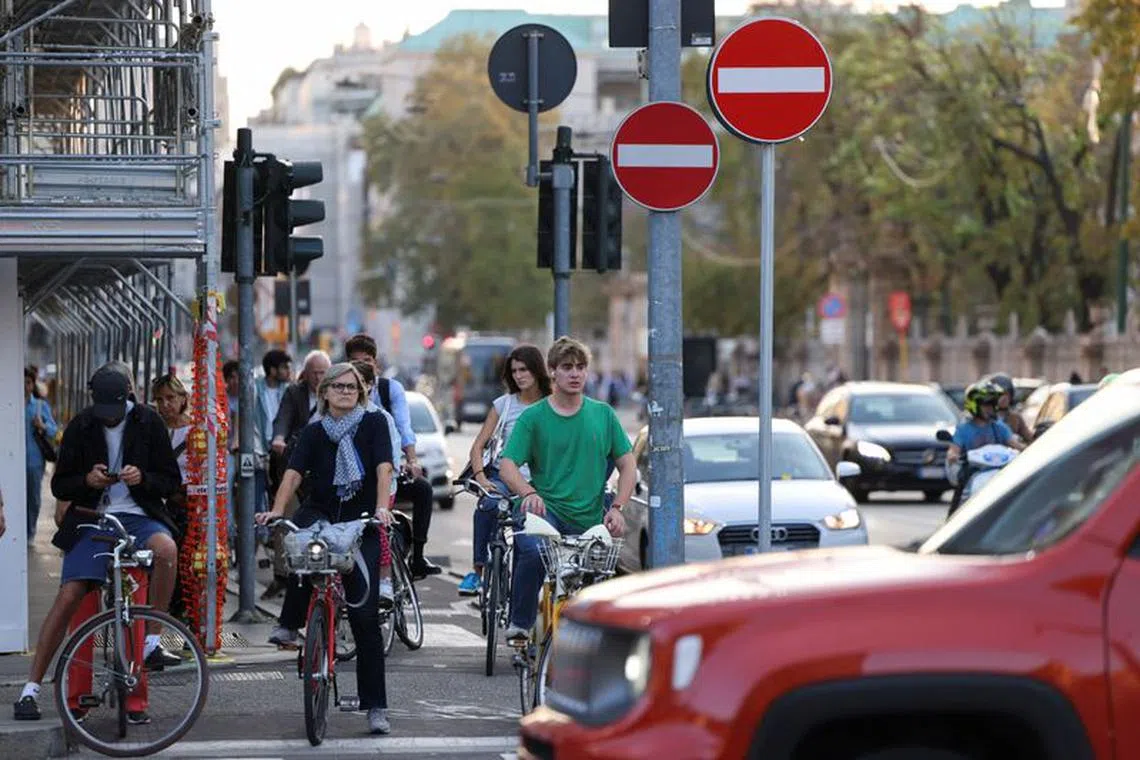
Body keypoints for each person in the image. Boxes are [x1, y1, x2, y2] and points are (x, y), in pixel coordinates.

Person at [13, 364, 183, 722]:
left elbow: (170, 480)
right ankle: (32, 689)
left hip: (139, 517)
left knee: (165, 551)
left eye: (116, 411)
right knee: (71, 595)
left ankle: (151, 644)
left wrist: (143, 479)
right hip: (93, 520)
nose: (109, 419)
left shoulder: (148, 423)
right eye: (103, 411)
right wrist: (88, 481)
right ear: (94, 402)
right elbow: (60, 485)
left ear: (129, 398)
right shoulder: (81, 425)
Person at [255, 363, 395, 735]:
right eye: (339, 387)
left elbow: (384, 469)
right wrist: (275, 511)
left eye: (353, 387)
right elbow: (293, 474)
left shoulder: (374, 424)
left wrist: (382, 509)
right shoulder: (314, 432)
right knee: (300, 545)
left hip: (361, 516)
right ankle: (288, 624)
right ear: (325, 392)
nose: (347, 392)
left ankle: (376, 706)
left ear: (361, 392)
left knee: (364, 618)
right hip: (319, 511)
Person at [498, 337, 635, 641]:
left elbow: (628, 465)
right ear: (552, 372)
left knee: (601, 578)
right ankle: (520, 623)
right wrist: (528, 493)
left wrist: (618, 507)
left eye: (581, 367)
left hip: (590, 515)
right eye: (567, 367)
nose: (575, 374)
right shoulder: (534, 417)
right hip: (546, 512)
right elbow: (508, 467)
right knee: (532, 551)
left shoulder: (603, 415)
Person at [457, 344, 551, 597]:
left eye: (525, 370)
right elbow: (478, 447)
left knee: (527, 534)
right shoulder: (503, 405)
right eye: (515, 371)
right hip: (501, 477)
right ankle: (477, 571)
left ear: (537, 370)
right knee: (487, 506)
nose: (520, 375)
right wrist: (481, 478)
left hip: (538, 484)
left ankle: (522, 586)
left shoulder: (552, 405)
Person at [344, 334, 441, 579]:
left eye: (367, 362)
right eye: (356, 364)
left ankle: (417, 557)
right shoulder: (343, 391)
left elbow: (403, 427)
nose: (362, 369)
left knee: (422, 490)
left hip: (389, 470)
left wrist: (412, 461)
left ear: (376, 364)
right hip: (353, 475)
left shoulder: (390, 391)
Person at [263, 350, 331, 599]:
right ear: (305, 373)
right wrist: (279, 438)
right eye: (314, 373)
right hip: (295, 465)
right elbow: (282, 419)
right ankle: (283, 575)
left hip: (325, 472)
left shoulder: (336, 394)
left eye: (323, 373)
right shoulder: (295, 393)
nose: (318, 378)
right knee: (286, 518)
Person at [946, 380, 1025, 513]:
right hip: (974, 473)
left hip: (999, 473)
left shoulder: (999, 426)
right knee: (960, 496)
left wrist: (1029, 450)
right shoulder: (964, 429)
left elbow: (1014, 444)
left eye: (992, 404)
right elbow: (954, 449)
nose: (990, 408)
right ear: (974, 405)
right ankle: (953, 519)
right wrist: (953, 456)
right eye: (986, 404)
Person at [151, 373, 193, 620]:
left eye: (170, 398)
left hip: (188, 506)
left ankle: (181, 608)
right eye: (160, 400)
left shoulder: (195, 432)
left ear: (182, 398)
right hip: (162, 505)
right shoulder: (155, 429)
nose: (165, 405)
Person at [25, 366, 58, 545]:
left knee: (33, 498)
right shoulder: (9, 406)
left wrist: (42, 426)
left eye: (28, 383)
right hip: (13, 461)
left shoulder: (39, 406)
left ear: (32, 384)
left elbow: (54, 431)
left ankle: (29, 532)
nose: (24, 386)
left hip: (34, 461)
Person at [982, 372, 1032, 444]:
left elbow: (1029, 439)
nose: (1005, 398)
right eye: (1000, 394)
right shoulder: (983, 416)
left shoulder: (1016, 418)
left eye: (1007, 394)